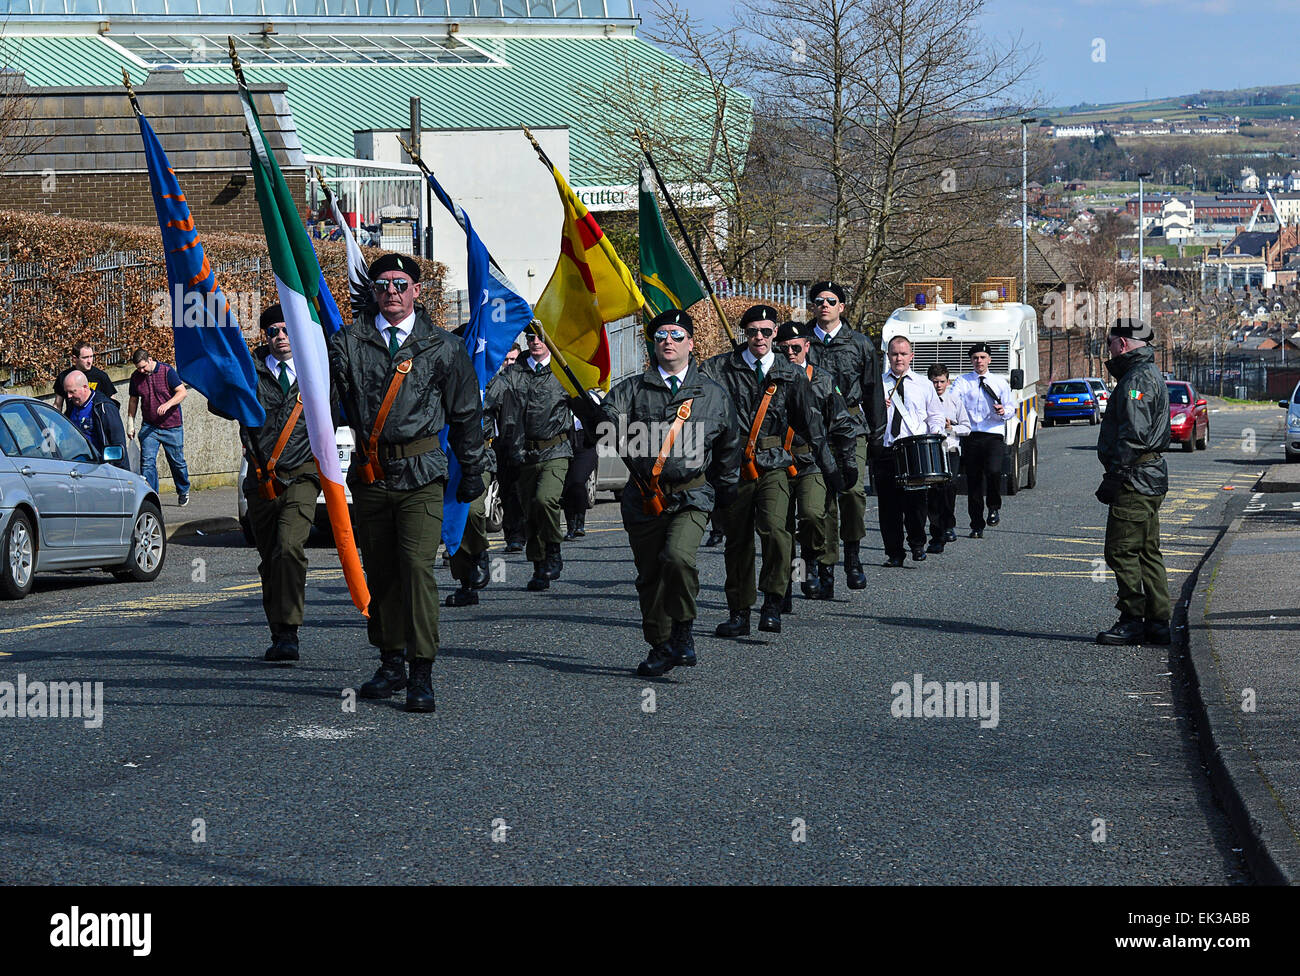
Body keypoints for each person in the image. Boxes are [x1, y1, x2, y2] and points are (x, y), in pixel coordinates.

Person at [328, 252, 487, 713]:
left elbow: (465, 414)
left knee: (416, 568)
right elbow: (328, 400)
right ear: (373, 294)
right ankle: (390, 659)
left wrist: (472, 470)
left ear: (418, 291)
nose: (391, 292)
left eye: (400, 284)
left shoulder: (442, 346)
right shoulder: (348, 342)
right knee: (380, 570)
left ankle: (421, 670)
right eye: (382, 286)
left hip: (421, 474)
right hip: (372, 474)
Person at [567, 308, 741, 677]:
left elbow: (728, 447)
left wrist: (728, 494)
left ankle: (683, 630)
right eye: (661, 335)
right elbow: (609, 429)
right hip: (644, 497)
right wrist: (594, 417)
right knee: (649, 575)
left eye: (677, 335)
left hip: (692, 495)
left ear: (691, 344)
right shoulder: (632, 389)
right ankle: (660, 645)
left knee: (677, 558)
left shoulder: (712, 394)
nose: (668, 342)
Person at [703, 304, 847, 637]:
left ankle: (772, 601)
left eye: (766, 332)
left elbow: (809, 421)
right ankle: (739, 611)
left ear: (774, 334)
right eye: (752, 331)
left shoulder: (789, 372)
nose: (759, 338)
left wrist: (831, 467)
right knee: (736, 541)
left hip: (774, 464)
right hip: (733, 467)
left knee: (775, 532)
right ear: (744, 333)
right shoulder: (719, 368)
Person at [242, 306, 319, 663]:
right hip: (261, 479)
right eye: (273, 331)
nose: (281, 336)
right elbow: (221, 404)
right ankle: (279, 632)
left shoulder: (316, 367)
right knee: (270, 558)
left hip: (302, 474)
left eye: (287, 329)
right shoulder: (250, 371)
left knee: (289, 548)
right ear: (265, 337)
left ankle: (289, 630)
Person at [1095, 318, 1172, 646]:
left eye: (1111, 343)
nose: (1109, 349)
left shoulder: (1136, 380)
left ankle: (1132, 619)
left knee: (1121, 550)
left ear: (1123, 344)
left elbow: (1134, 435)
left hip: (1135, 479)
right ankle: (1157, 622)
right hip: (1147, 477)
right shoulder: (1146, 373)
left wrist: (1115, 475)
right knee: (1146, 550)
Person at [804, 280, 886, 590]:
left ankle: (853, 556)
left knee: (852, 493)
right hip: (814, 427)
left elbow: (873, 391)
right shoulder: (802, 342)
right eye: (819, 300)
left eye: (831, 300)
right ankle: (824, 567)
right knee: (820, 501)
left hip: (851, 426)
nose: (824, 304)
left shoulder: (860, 344)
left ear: (842, 307)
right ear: (813, 306)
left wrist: (878, 435)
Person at [775, 321, 856, 601]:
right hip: (779, 460)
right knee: (781, 526)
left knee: (815, 516)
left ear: (807, 347)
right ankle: (790, 581)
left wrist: (847, 461)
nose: (790, 353)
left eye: (795, 348)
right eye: (783, 349)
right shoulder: (770, 378)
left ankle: (822, 570)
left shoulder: (822, 379)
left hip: (814, 459)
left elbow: (841, 420)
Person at [492, 326, 574, 591]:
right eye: (530, 337)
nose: (536, 342)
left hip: (556, 450)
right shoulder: (515, 372)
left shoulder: (563, 371)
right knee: (531, 512)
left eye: (541, 337)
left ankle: (553, 549)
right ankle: (539, 564)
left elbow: (586, 401)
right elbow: (492, 396)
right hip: (524, 453)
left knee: (545, 499)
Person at [876, 336, 945, 566]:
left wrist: (935, 435)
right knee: (888, 507)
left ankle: (917, 544)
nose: (899, 358)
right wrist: (877, 407)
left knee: (916, 504)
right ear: (888, 356)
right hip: (886, 450)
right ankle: (894, 553)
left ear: (911, 356)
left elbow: (935, 414)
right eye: (894, 354)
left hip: (914, 450)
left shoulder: (923, 385)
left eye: (903, 354)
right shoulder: (878, 384)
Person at [951, 342, 1013, 538]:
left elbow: (1012, 407)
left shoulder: (1000, 382)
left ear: (989, 360)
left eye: (983, 357)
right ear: (971, 360)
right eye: (976, 358)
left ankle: (994, 507)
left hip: (993, 433)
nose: (979, 361)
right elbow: (952, 399)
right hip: (971, 435)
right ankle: (976, 523)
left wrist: (1004, 411)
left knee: (994, 471)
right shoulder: (963, 381)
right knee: (974, 481)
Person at [127, 348, 190, 506]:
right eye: (138, 368)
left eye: (143, 367)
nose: (141, 370)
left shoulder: (167, 371)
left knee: (177, 462)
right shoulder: (136, 377)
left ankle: (183, 490)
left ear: (150, 359)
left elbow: (182, 392)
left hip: (172, 425)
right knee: (147, 462)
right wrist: (130, 422)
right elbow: (133, 400)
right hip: (150, 427)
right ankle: (151, 496)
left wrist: (167, 404)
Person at [925, 364, 970, 554]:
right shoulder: (923, 400)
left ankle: (949, 524)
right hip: (931, 450)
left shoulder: (954, 402)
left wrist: (951, 428)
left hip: (950, 449)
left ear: (948, 381)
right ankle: (938, 528)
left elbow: (967, 428)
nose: (938, 385)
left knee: (949, 487)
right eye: (934, 382)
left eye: (941, 381)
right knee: (933, 492)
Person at [486, 344, 526, 553]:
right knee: (509, 491)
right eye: (506, 360)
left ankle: (528, 531)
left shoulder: (525, 379)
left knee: (525, 493)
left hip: (527, 440)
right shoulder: (498, 383)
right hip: (506, 442)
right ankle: (514, 535)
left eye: (513, 360)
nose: (509, 364)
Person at [62, 370, 128, 469]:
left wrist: (121, 473)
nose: (69, 396)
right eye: (67, 392)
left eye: (72, 391)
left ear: (85, 387)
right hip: (75, 466)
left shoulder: (104, 407)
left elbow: (118, 442)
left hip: (99, 468)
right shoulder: (71, 408)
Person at [562, 404, 599, 540]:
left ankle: (580, 521)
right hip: (564, 441)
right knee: (567, 486)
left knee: (577, 481)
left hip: (585, 444)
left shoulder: (588, 397)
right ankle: (570, 526)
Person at [53, 341, 118, 414]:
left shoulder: (101, 376)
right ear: (75, 358)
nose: (89, 361)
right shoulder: (65, 377)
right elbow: (57, 405)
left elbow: (112, 403)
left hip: (95, 422)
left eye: (91, 356)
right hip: (73, 421)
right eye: (85, 357)